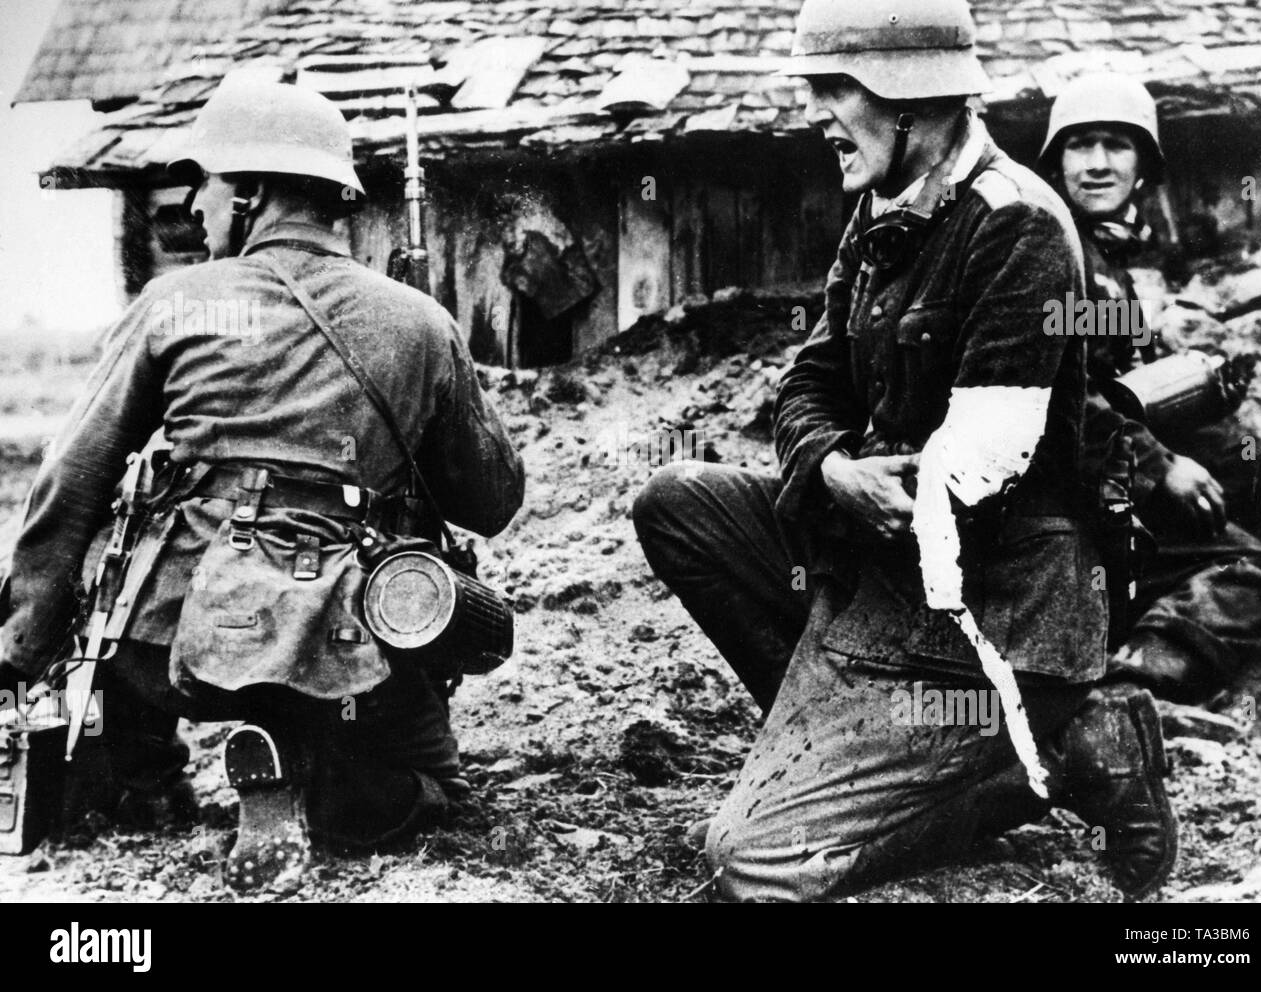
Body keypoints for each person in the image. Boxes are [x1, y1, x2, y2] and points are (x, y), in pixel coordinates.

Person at [634, 0, 1176, 902]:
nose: (816, 112)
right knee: (678, 502)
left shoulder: (1020, 224)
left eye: (835, 87)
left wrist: (866, 488)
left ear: (909, 100)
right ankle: (858, 760)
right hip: (878, 562)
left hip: (989, 616)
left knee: (751, 862)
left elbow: (981, 467)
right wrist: (834, 470)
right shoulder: (884, 209)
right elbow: (808, 384)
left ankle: (1074, 741)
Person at [0, 74, 524, 888]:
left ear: (247, 191)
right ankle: (334, 780)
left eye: (202, 185)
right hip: (347, 644)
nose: (193, 209)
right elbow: (490, 502)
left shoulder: (171, 304)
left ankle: (149, 784)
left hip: (172, 650)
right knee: (433, 788)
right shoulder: (417, 321)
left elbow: (73, 477)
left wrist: (24, 642)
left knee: (115, 544)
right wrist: (422, 360)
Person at [1038, 73, 1261, 702]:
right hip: (1065, 492)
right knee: (1245, 567)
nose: (1096, 164)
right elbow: (1054, 397)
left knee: (1255, 472)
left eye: (1116, 145)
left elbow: (1115, 378)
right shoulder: (1049, 251)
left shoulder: (1110, 256)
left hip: (1103, 466)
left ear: (1144, 164)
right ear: (1055, 162)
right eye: (1079, 145)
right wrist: (1162, 465)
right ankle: (1138, 680)